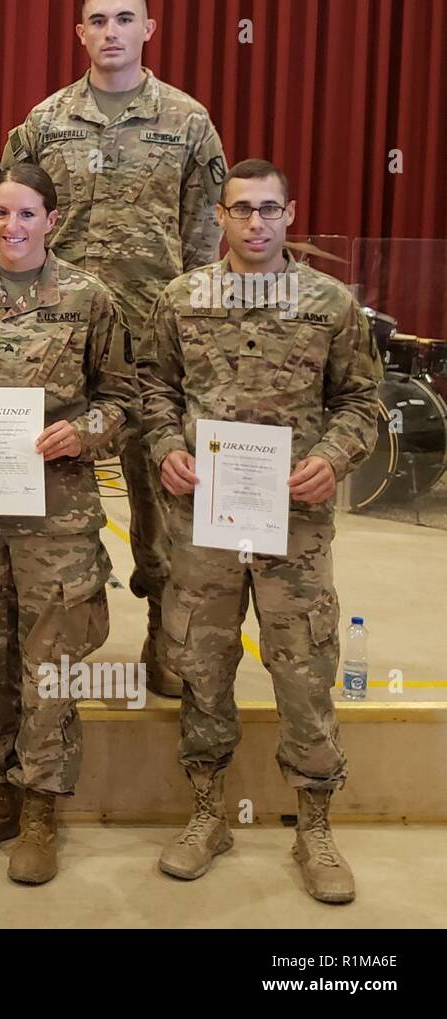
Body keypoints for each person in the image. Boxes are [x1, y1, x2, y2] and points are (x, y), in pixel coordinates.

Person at [141, 158, 381, 903]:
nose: (254, 222)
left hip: (294, 526)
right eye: (240, 209)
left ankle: (313, 822)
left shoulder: (330, 304)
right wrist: (166, 447)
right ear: (219, 215)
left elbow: (364, 402)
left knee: (303, 669)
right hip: (204, 524)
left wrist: (333, 457)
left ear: (289, 213)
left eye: (268, 209)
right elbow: (153, 388)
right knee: (204, 666)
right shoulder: (181, 300)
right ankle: (208, 811)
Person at [1, 0, 226, 696]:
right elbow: (15, 226)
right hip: (58, 348)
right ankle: (34, 655)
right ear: (80, 33)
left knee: (164, 499)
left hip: (154, 345)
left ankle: (169, 646)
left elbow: (202, 239)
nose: (111, 32)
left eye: (125, 18)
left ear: (148, 29)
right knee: (44, 501)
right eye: (97, 19)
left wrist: (193, 337)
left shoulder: (188, 123)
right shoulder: (44, 122)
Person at [0, 164, 135, 882]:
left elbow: (122, 397)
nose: (13, 227)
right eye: (2, 213)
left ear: (52, 219)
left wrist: (85, 430)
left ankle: (40, 804)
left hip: (58, 515)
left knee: (53, 663)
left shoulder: (88, 298)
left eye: (28, 215)